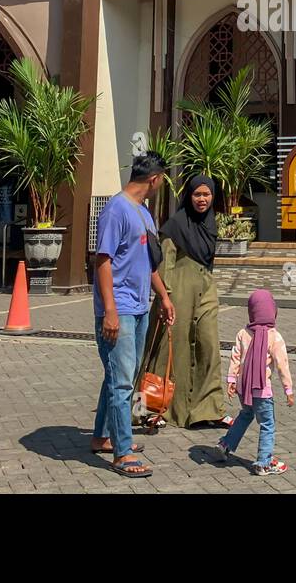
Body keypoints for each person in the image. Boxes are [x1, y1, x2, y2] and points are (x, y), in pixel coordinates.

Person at [91, 152, 174, 478]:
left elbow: (149, 263)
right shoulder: (116, 210)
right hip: (120, 310)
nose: (160, 186)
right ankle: (122, 452)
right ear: (154, 179)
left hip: (140, 307)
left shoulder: (144, 214)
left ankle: (102, 437)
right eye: (162, 180)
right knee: (122, 381)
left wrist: (164, 297)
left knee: (119, 375)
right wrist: (109, 311)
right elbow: (103, 261)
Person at [137, 175, 231, 429]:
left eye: (207, 195)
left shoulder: (210, 224)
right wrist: (164, 297)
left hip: (206, 291)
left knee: (208, 346)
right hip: (177, 293)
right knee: (166, 350)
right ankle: (149, 408)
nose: (202, 200)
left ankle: (209, 409)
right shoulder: (174, 226)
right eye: (197, 195)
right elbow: (164, 263)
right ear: (188, 196)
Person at [215, 289, 293, 476]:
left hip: (244, 388)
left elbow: (235, 357)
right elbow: (283, 365)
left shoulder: (243, 333)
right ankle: (264, 462)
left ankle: (226, 444)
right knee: (267, 423)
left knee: (245, 414)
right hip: (262, 391)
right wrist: (288, 389)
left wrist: (232, 380)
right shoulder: (274, 336)